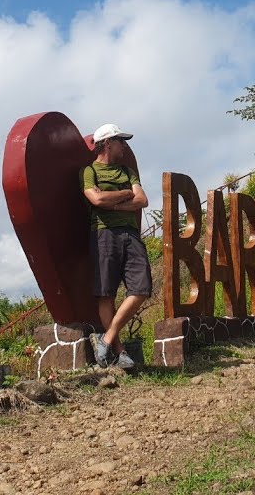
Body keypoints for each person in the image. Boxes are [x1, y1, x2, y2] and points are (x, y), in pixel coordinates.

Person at [82, 123, 151, 369]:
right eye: (121, 141)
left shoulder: (127, 171)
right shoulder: (90, 171)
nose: (124, 146)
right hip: (103, 234)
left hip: (130, 233)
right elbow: (96, 198)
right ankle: (119, 351)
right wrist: (125, 194)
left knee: (141, 288)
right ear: (108, 143)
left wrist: (111, 203)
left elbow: (142, 200)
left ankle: (107, 337)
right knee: (106, 293)